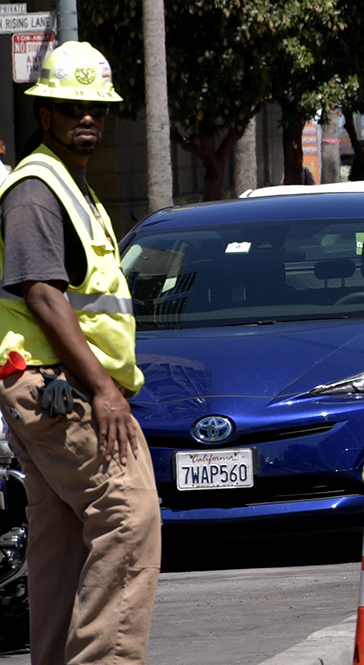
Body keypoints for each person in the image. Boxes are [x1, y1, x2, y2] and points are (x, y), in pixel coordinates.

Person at [0, 42, 157, 665]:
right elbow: (43, 294)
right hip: (59, 386)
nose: (85, 118)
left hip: (48, 385)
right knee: (129, 518)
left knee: (61, 540)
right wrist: (106, 389)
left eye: (95, 108)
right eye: (70, 108)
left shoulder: (72, 188)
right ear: (45, 115)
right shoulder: (39, 191)